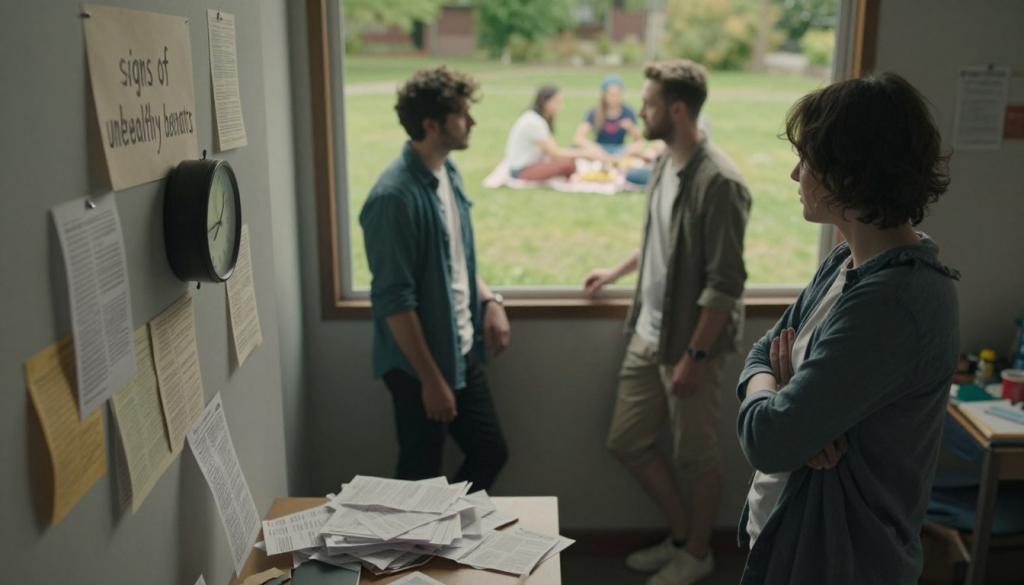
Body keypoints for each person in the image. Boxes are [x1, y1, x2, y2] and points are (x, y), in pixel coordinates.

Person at [735, 72, 959, 584]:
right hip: (789, 541)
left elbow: (768, 441)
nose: (795, 174)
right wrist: (787, 399)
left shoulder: (895, 303)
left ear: (850, 173)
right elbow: (762, 350)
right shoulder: (845, 262)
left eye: (808, 160)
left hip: (839, 562)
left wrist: (790, 414)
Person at [584, 60, 751, 585]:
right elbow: (662, 239)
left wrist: (696, 356)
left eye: (649, 103)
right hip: (647, 333)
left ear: (677, 110)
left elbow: (726, 282)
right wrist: (615, 272)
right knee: (626, 440)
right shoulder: (662, 162)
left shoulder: (720, 182)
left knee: (696, 458)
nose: (640, 111)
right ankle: (681, 537)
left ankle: (698, 553)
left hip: (691, 344)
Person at [359, 66, 510, 492]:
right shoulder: (393, 198)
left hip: (460, 349)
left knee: (490, 452)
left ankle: (448, 530)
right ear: (431, 124)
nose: (472, 122)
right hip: (417, 368)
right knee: (419, 478)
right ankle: (419, 537)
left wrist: (489, 300)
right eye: (462, 114)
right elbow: (394, 301)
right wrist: (431, 381)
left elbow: (456, 259)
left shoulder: (448, 171)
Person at [504, 85, 606, 181]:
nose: (560, 106)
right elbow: (554, 153)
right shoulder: (534, 121)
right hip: (520, 171)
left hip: (531, 164)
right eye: (557, 102)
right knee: (567, 165)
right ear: (544, 102)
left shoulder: (535, 118)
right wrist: (584, 153)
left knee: (570, 156)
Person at [573, 74, 644, 157]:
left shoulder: (627, 112)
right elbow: (579, 138)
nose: (615, 98)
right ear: (604, 95)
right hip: (599, 150)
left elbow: (639, 140)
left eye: (618, 95)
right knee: (577, 149)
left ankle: (615, 159)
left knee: (636, 149)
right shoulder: (595, 112)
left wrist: (631, 128)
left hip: (620, 150)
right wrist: (593, 147)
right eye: (612, 95)